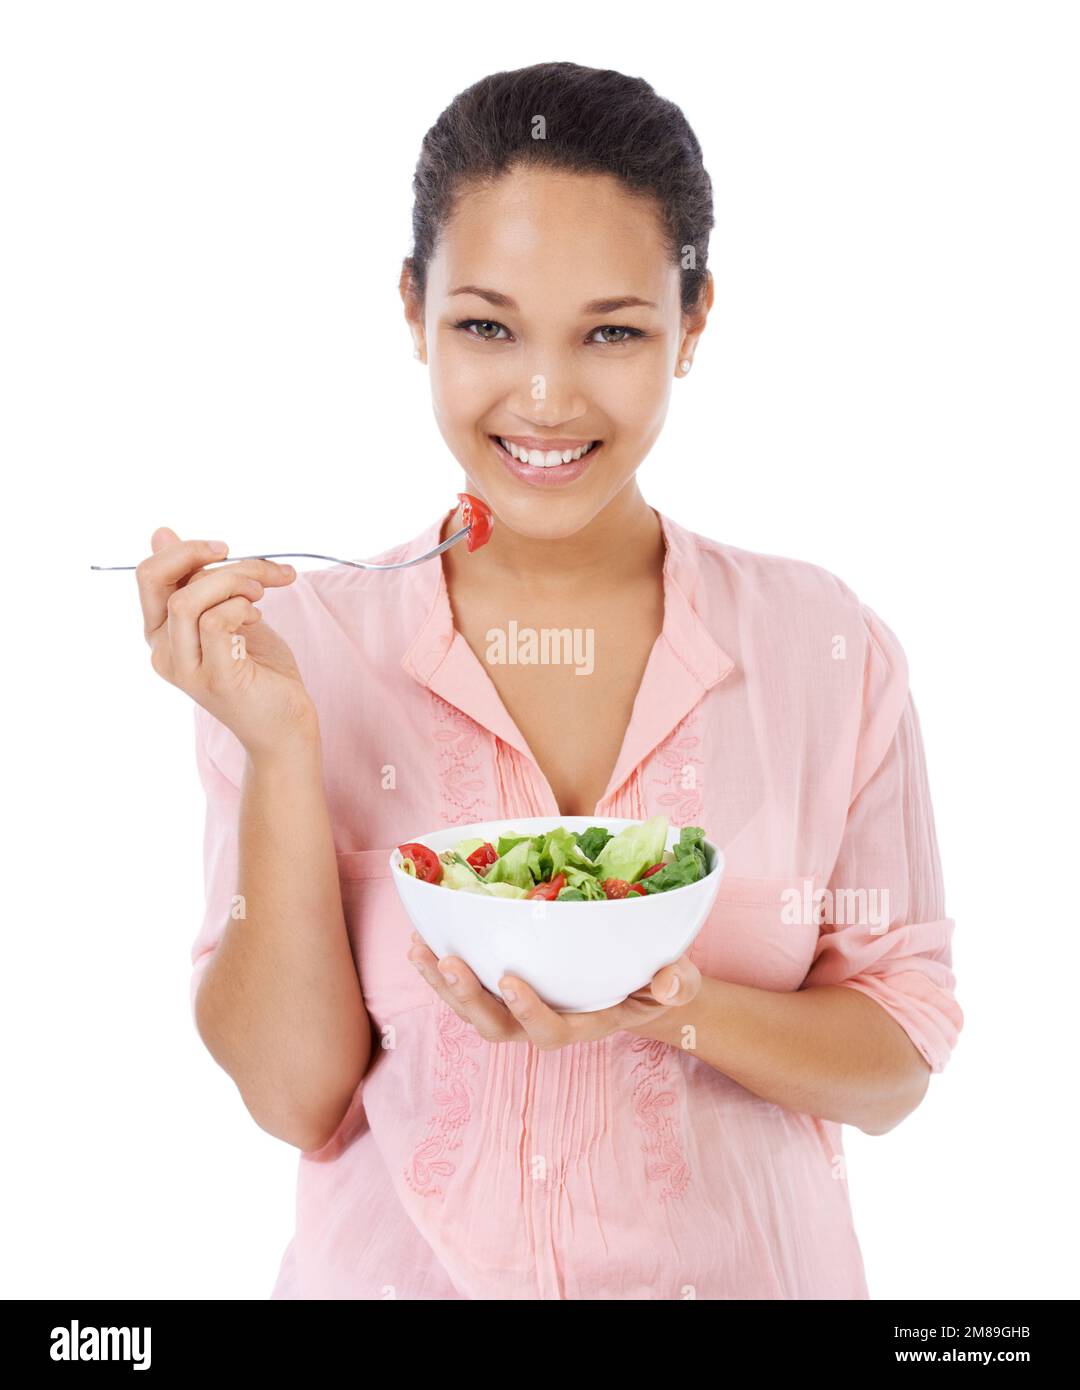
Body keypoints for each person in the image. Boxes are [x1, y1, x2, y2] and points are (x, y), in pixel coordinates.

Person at [137, 61, 963, 1299]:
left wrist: (669, 1007)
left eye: (613, 330)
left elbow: (896, 1057)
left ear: (693, 325)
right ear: (412, 310)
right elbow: (291, 1094)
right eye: (486, 325)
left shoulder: (826, 648)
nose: (544, 395)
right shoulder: (298, 652)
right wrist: (280, 750)